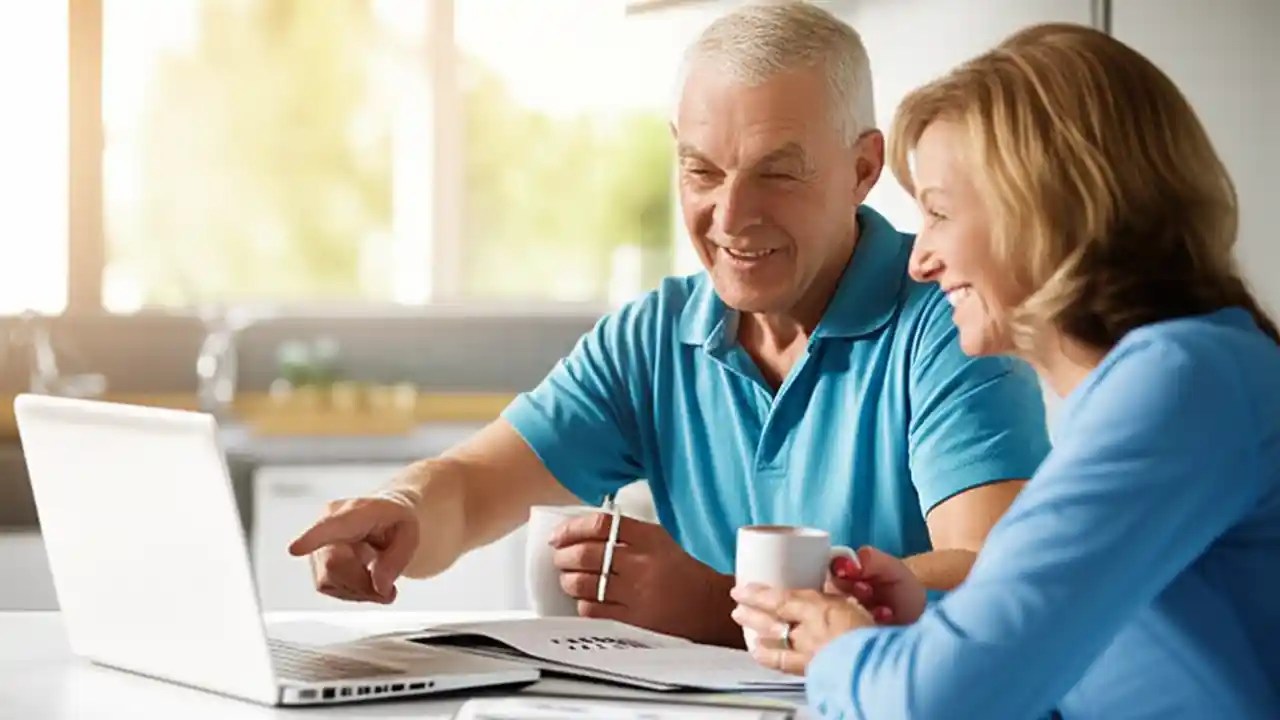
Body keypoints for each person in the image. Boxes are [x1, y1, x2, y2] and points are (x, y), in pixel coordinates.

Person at [287, 2, 1049, 648]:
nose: (733, 214)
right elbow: (477, 486)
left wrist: (724, 604)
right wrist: (401, 512)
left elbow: (996, 572)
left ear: (861, 168)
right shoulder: (653, 337)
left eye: (777, 172)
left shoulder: (951, 320)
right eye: (702, 170)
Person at [731, 21, 1280, 718]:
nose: (918, 260)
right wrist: (922, 619)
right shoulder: (1184, 376)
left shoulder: (1179, 381)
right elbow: (1081, 668)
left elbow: (938, 702)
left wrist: (841, 652)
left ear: (1045, 211)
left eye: (938, 213)